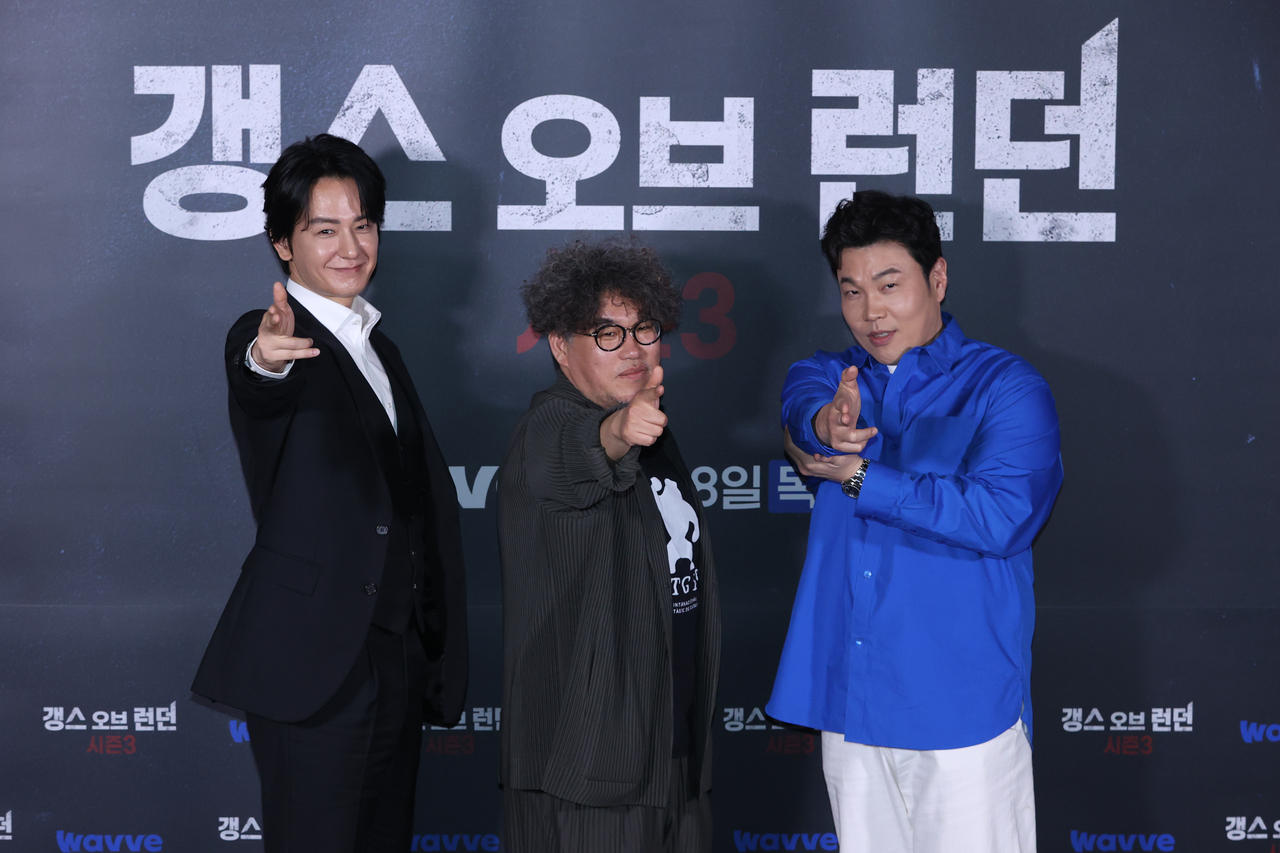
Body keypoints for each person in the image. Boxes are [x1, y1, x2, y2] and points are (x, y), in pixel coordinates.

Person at [192, 134, 468, 853]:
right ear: (283, 243)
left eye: (363, 225)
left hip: (396, 659)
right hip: (315, 664)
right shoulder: (274, 335)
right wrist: (264, 355)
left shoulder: (380, 347)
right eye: (324, 230)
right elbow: (257, 375)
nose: (351, 247)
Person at [768, 190, 1063, 853]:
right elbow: (802, 408)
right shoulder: (828, 375)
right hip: (852, 698)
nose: (870, 311)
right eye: (851, 291)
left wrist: (860, 475)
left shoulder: (1007, 387)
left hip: (961, 704)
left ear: (937, 278)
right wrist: (824, 425)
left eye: (888, 284)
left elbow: (1002, 517)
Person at [496, 238, 721, 853]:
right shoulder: (548, 425)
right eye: (606, 333)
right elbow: (580, 454)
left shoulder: (657, 431)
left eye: (644, 329)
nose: (633, 348)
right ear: (559, 346)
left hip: (672, 758)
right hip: (588, 773)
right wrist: (618, 432)